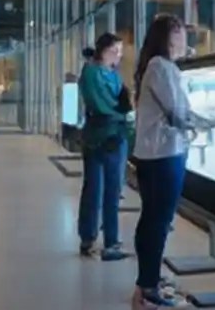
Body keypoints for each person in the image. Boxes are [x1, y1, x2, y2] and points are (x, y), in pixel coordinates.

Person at [131, 14, 215, 309]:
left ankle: (147, 280)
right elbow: (179, 114)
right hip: (164, 156)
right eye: (178, 33)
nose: (184, 38)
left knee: (152, 219)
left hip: (155, 155)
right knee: (158, 221)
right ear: (167, 37)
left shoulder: (156, 67)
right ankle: (148, 286)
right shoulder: (162, 67)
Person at [77, 32, 130, 261]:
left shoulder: (105, 73)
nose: (118, 56)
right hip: (106, 136)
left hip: (106, 136)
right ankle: (100, 239)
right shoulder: (94, 73)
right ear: (104, 50)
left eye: (120, 52)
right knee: (101, 190)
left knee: (104, 189)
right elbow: (109, 105)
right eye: (115, 51)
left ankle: (102, 239)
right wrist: (123, 113)